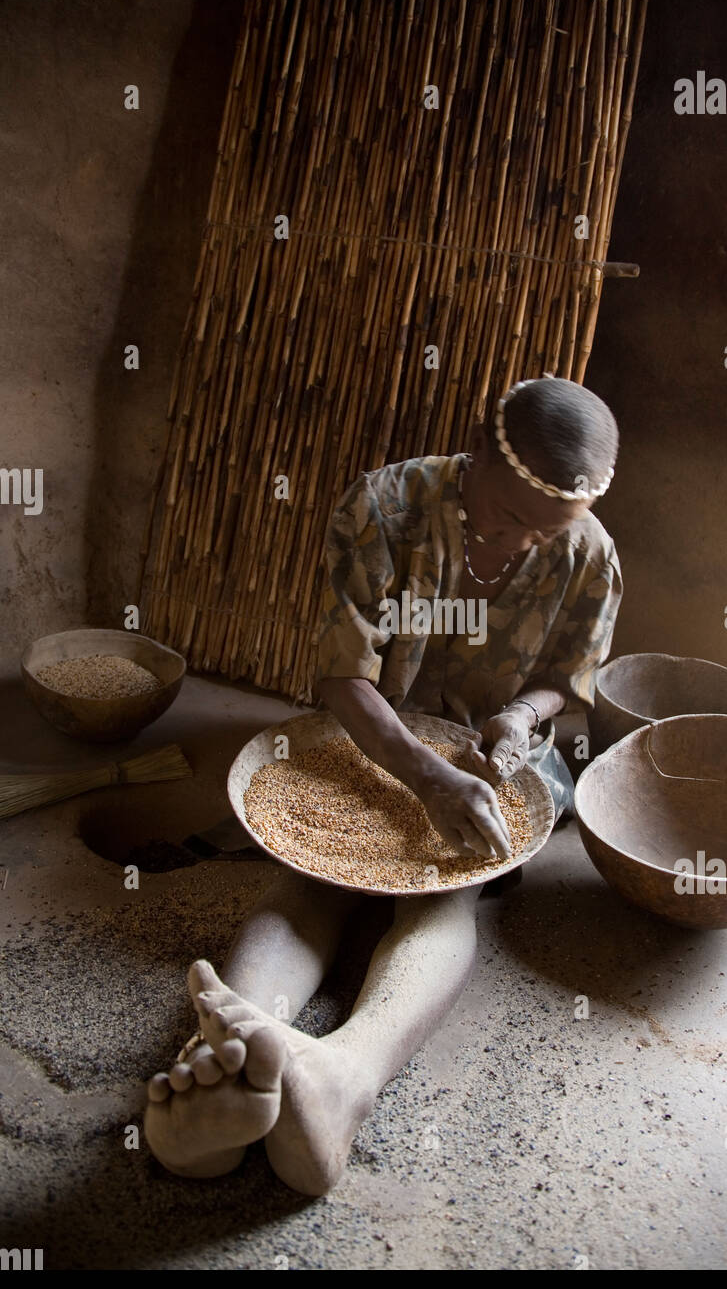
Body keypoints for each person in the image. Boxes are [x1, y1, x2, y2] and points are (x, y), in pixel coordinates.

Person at [144, 375, 623, 1195]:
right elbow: (344, 679)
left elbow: (567, 679)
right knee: (317, 870)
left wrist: (515, 720)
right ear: (475, 456)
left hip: (486, 752)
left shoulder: (588, 552)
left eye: (547, 531)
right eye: (508, 519)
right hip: (370, 733)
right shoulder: (385, 506)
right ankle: (224, 1060)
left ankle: (340, 1077)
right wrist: (424, 777)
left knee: (445, 885)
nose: (521, 544)